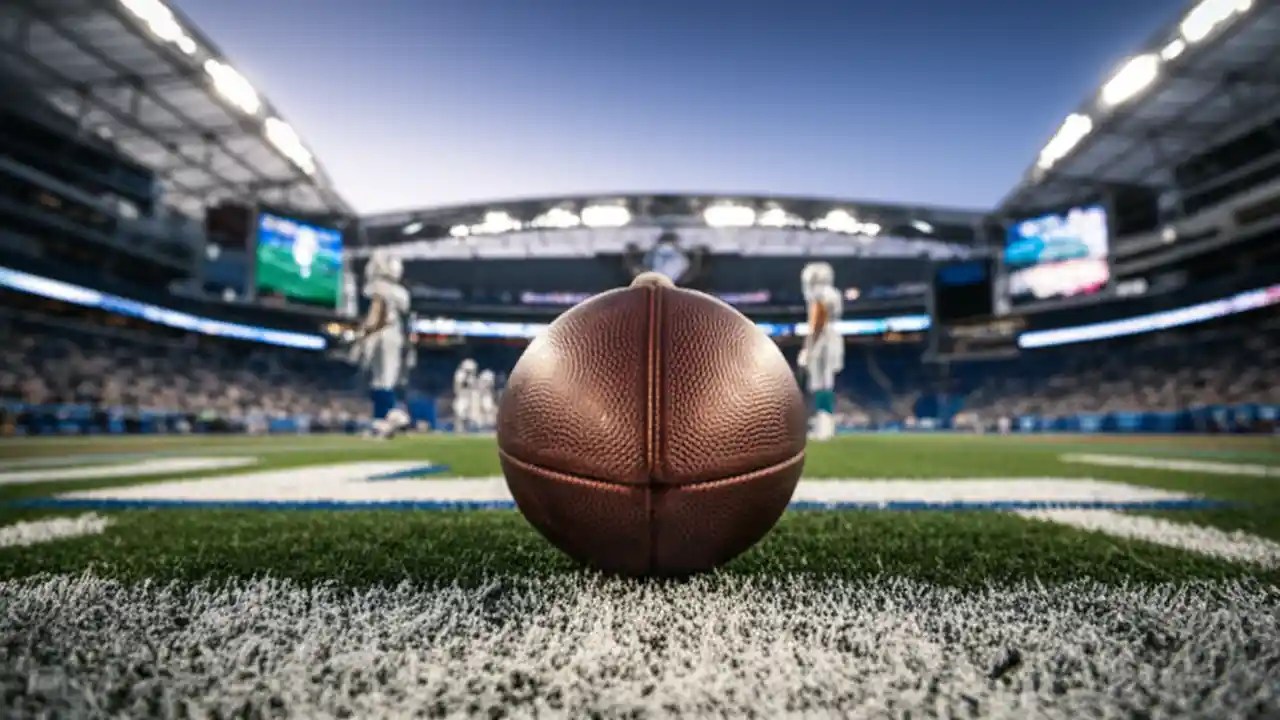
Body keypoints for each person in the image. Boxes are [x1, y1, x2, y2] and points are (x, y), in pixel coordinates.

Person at [355, 250, 411, 438]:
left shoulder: (379, 288)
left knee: (382, 379)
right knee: (384, 379)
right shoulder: (400, 293)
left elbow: (376, 315)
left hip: (383, 332)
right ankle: (385, 418)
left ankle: (388, 417)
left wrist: (364, 334)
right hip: (393, 334)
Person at [798, 262, 843, 441]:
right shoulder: (834, 293)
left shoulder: (819, 294)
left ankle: (823, 427)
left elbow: (817, 320)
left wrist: (808, 347)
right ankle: (826, 425)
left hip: (823, 338)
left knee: (820, 383)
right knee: (827, 382)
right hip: (833, 337)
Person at [452, 358, 477, 432]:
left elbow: (473, 386)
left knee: (467, 416)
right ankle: (458, 430)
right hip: (461, 397)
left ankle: (466, 430)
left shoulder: (471, 376)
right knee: (460, 414)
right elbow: (461, 385)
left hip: (469, 397)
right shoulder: (460, 374)